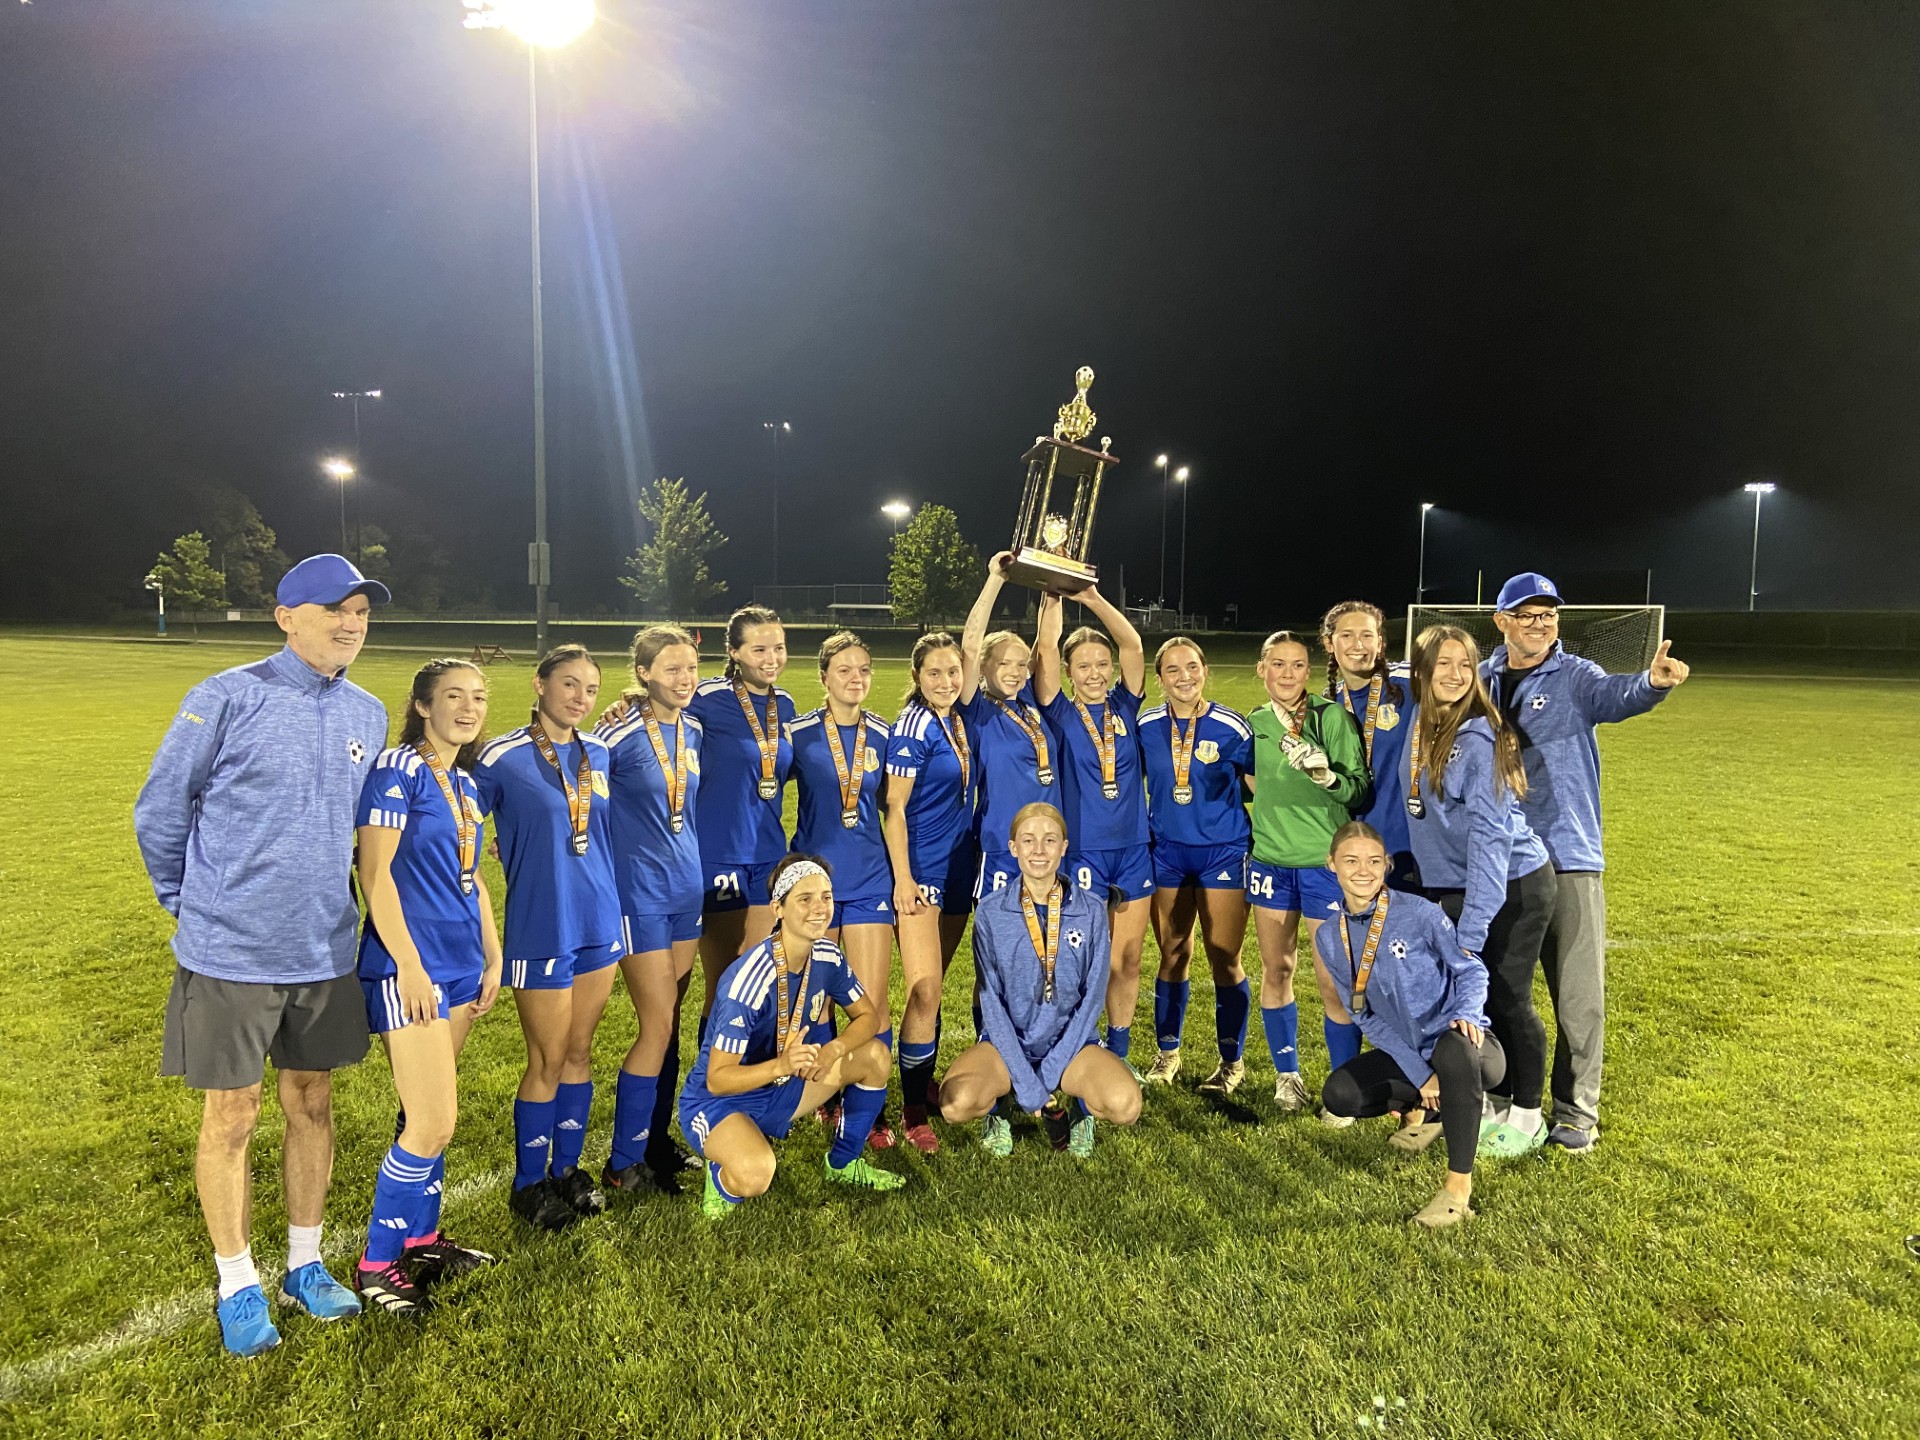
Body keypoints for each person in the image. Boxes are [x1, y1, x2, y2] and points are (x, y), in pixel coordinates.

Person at [134, 553, 390, 1357]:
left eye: (360, 611)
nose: (350, 624)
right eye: (332, 610)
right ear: (286, 617)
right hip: (231, 955)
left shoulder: (368, 713)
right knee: (233, 1115)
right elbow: (159, 813)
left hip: (321, 948)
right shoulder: (225, 697)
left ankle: (306, 1264)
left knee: (311, 1103)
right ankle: (237, 1279)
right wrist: (191, 905)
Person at [1483, 573, 1690, 1154]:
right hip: (1500, 858)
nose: (1541, 623)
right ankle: (1500, 1098)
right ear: (1501, 622)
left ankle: (1576, 1112)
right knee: (1499, 986)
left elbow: (1615, 696)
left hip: (1567, 854)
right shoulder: (1483, 680)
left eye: (1549, 614)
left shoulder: (1574, 676)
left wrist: (1651, 683)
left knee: (1577, 993)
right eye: (1527, 614)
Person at [352, 659, 503, 1315]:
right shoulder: (397, 769)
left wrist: (493, 958)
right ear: (421, 705)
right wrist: (408, 964)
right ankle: (377, 1264)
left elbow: (473, 882)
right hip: (408, 971)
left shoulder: (464, 785)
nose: (468, 708)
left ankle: (425, 1240)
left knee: (427, 1120)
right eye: (452, 697)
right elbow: (374, 872)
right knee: (435, 1122)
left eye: (477, 697)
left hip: (463, 965)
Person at [471, 644, 624, 1231]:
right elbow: (460, 821)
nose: (580, 698)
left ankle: (567, 1169)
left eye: (590, 688)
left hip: (600, 921)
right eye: (568, 685)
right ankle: (528, 1183)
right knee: (546, 1057)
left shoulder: (601, 753)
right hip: (542, 924)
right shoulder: (501, 758)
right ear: (539, 685)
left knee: (581, 1052)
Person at [678, 855, 906, 1219]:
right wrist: (782, 1064)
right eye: (805, 899)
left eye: (826, 897)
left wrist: (834, 1049)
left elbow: (868, 1016)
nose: (819, 908)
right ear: (777, 908)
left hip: (783, 1085)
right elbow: (718, 1080)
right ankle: (721, 1172)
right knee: (755, 1175)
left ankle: (843, 1164)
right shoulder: (749, 981)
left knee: (875, 1056)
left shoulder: (827, 956)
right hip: (720, 1101)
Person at [1405, 624, 1558, 1160]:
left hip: (1511, 885)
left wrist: (1469, 932)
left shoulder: (1477, 738)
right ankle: (1493, 1103)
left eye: (1464, 666)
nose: (1454, 675)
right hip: (1463, 885)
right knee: (1483, 998)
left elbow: (1491, 847)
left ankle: (1529, 1114)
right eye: (1442, 664)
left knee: (1507, 997)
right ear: (1420, 672)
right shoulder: (1425, 723)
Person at [1316, 822, 1506, 1228]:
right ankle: (1422, 1109)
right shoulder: (1330, 937)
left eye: (1373, 861)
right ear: (1331, 864)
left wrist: (1468, 1015)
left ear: (1386, 866)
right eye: (1351, 860)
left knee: (1454, 1051)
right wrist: (1420, 1075)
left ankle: (1457, 1190)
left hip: (1470, 1047)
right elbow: (1361, 1013)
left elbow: (1470, 970)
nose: (1363, 870)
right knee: (1340, 1094)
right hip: (1413, 1054)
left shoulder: (1418, 913)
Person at [938, 803, 1141, 1156]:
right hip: (1005, 1046)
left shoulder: (1091, 909)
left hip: (1073, 1048)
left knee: (1125, 1105)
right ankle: (998, 1112)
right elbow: (991, 1004)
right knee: (956, 1104)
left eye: (1050, 840)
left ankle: (1080, 1112)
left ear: (1064, 847)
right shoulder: (990, 911)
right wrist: (1026, 1081)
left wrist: (1043, 1079)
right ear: (1013, 847)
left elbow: (1092, 1000)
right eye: (1028, 840)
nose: (1039, 850)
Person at [596, 625, 706, 1196]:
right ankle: (623, 1162)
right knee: (656, 1025)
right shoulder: (615, 732)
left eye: (690, 668)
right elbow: (577, 790)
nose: (684, 679)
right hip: (637, 894)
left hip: (687, 892)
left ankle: (656, 1146)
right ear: (643, 674)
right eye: (670, 669)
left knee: (670, 1027)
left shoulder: (693, 728)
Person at [1246, 631, 1370, 1110]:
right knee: (1276, 969)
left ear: (1308, 672)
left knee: (1332, 980)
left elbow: (1357, 791)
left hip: (1323, 865)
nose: (1287, 674)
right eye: (1278, 664)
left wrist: (1330, 777)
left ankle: (1344, 1086)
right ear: (1263, 669)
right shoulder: (1254, 722)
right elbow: (1248, 779)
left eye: (1298, 665)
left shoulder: (1331, 717)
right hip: (1271, 863)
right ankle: (1288, 1077)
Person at [1032, 584, 1153, 1072]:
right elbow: (1043, 648)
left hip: (1134, 850)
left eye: (1102, 663)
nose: (1096, 673)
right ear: (1068, 672)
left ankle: (1118, 1054)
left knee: (1127, 962)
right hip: (1082, 853)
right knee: (1082, 964)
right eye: (1084, 665)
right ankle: (1079, 1047)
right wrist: (1057, 592)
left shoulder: (1125, 706)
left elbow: (1135, 646)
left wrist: (1094, 598)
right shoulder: (1058, 712)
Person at [788, 632, 897, 1144]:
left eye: (864, 670)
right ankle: (825, 1096)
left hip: (872, 878)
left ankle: (868, 1105)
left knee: (871, 1001)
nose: (857, 679)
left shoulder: (886, 734)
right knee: (818, 1000)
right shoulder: (798, 734)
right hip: (816, 886)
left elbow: (899, 807)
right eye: (846, 670)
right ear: (824, 677)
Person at [1135, 637, 1255, 1090]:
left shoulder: (1232, 727)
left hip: (1222, 850)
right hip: (1165, 850)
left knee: (1224, 956)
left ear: (1205, 670)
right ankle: (1168, 1054)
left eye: (1192, 667)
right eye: (1172, 670)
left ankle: (1231, 1063)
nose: (1184, 677)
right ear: (1159, 677)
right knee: (1172, 952)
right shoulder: (1145, 725)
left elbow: (1258, 784)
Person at [881, 630, 978, 1152]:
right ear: (917, 676)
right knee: (924, 988)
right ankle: (913, 1108)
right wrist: (903, 878)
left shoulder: (957, 718)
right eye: (934, 672)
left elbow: (977, 642)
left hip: (962, 867)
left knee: (935, 983)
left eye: (953, 671)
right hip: (922, 872)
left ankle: (922, 1081)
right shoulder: (915, 723)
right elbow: (894, 808)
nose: (946, 681)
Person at [688, 606, 796, 1044]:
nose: (772, 657)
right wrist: (632, 701)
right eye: (759, 649)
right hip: (718, 854)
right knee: (722, 982)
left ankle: (744, 1081)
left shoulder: (784, 703)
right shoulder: (706, 697)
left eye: (779, 647)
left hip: (768, 857)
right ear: (734, 652)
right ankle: (708, 1084)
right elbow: (660, 718)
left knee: (752, 979)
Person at [959, 553, 1060, 904]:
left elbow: (1047, 642)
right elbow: (970, 644)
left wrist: (1055, 582)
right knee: (1001, 946)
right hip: (1002, 844)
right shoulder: (977, 709)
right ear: (985, 668)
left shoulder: (1030, 700)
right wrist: (995, 579)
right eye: (1003, 664)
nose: (1015, 672)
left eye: (1021, 664)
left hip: (1048, 846)